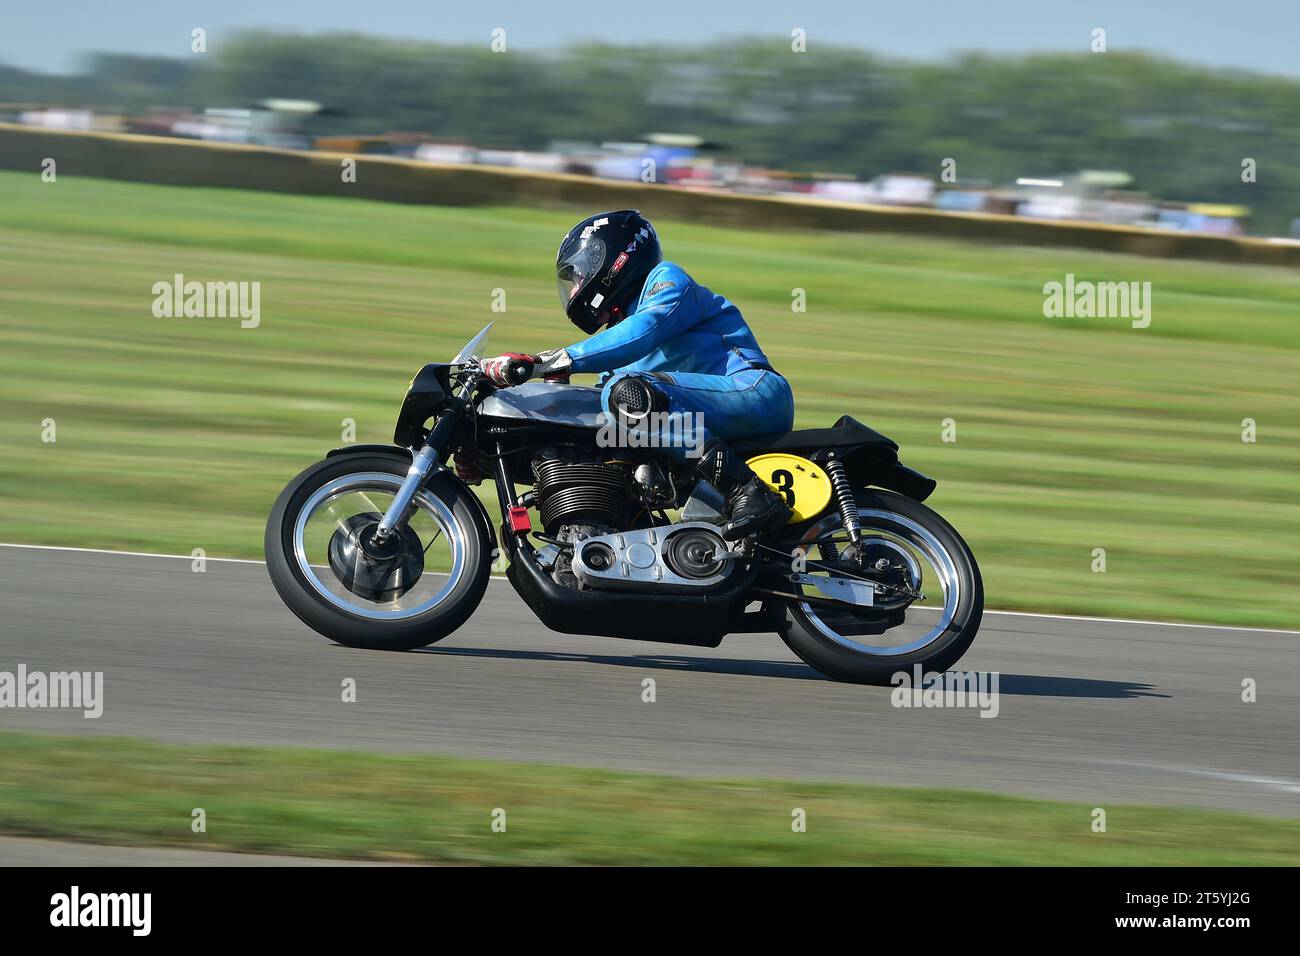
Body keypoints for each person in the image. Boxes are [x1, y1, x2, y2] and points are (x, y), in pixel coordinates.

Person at [480, 209, 794, 540]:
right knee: (609, 418)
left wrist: (552, 361)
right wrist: (490, 456)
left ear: (614, 258)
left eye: (578, 274)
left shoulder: (667, 281)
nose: (575, 288)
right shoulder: (619, 342)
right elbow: (594, 416)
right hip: (704, 412)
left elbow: (643, 331)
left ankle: (749, 492)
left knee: (627, 394)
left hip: (754, 393)